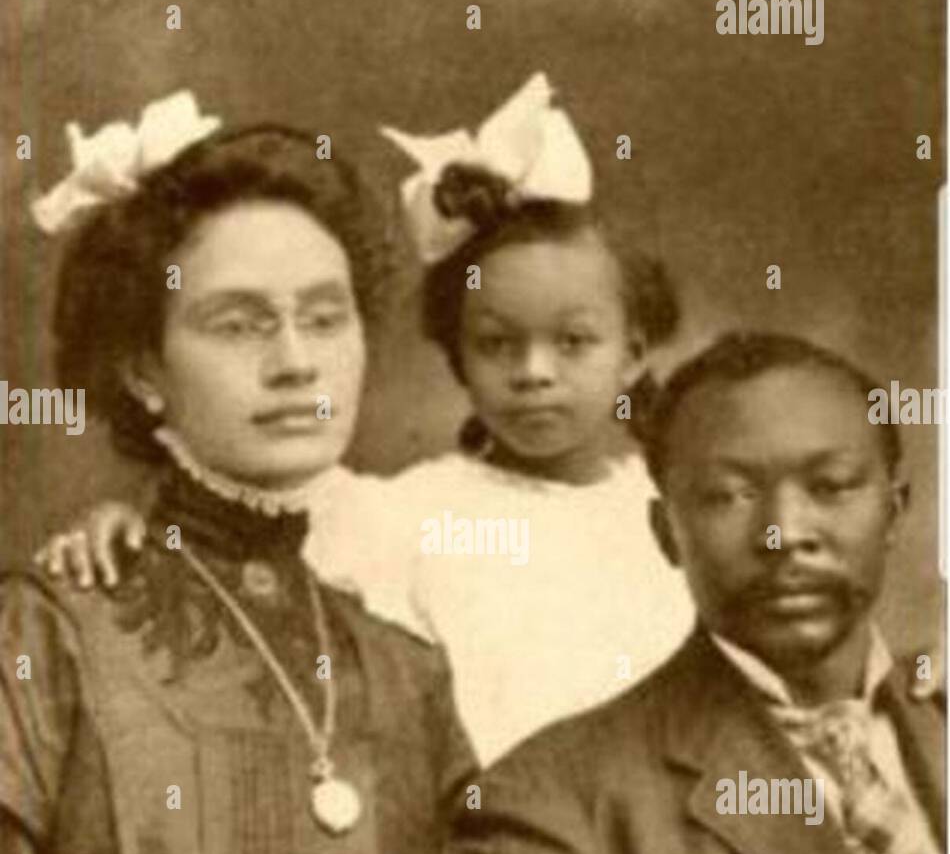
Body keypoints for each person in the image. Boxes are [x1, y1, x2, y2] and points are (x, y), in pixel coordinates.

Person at [0, 92, 473, 854]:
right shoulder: (49, 631)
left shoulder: (397, 674)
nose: (297, 361)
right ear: (142, 368)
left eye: (325, 314)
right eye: (238, 322)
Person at [36, 74, 696, 766]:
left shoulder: (668, 515)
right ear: (458, 356)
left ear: (634, 352)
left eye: (574, 342)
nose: (535, 372)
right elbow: (241, 521)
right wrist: (131, 524)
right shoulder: (400, 514)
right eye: (499, 344)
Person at [443, 331, 946, 854]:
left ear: (897, 509)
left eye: (831, 487)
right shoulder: (551, 804)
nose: (787, 534)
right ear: (664, 531)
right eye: (726, 495)